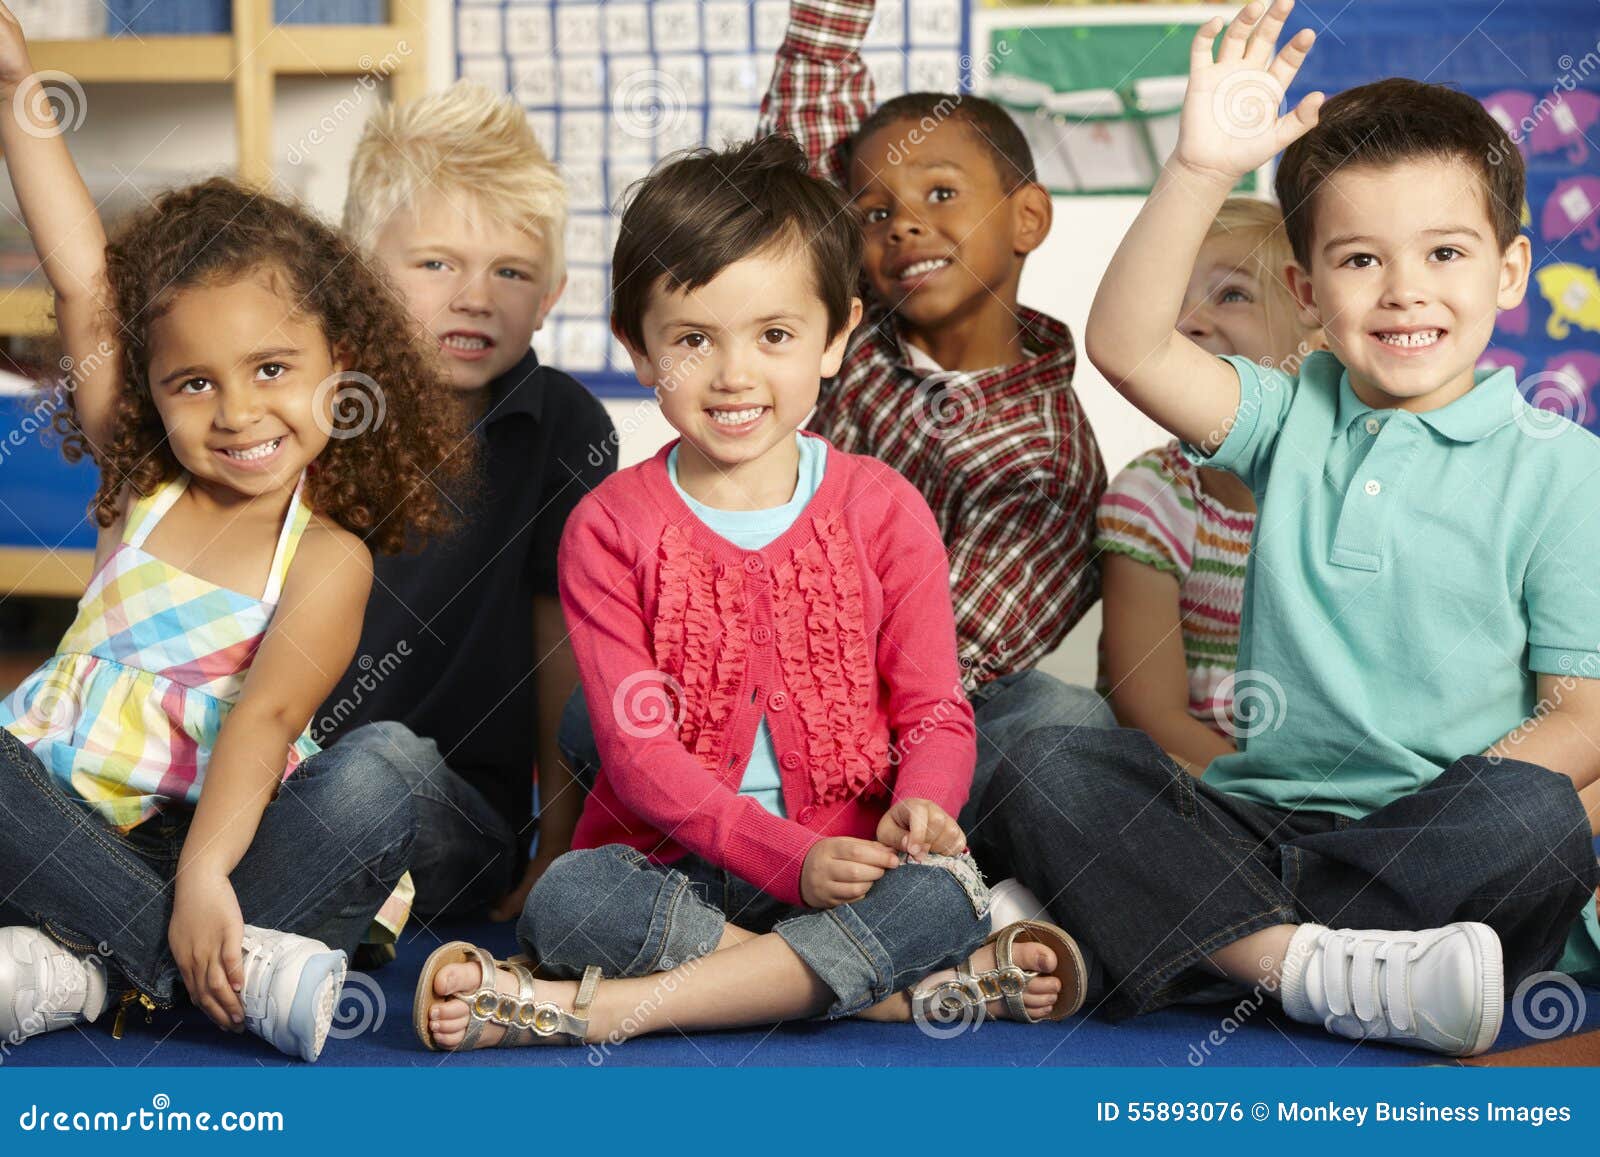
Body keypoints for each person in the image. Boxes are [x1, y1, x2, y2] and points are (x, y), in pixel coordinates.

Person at [985, 0, 1600, 1057]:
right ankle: (1300, 964)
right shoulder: (1286, 411)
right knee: (1050, 764)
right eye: (1361, 261)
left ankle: (1202, 942)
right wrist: (1196, 168)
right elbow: (1128, 347)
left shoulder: (1561, 467)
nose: (1406, 288)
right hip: (1261, 823)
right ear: (1307, 293)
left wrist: (1433, 816)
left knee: (1536, 818)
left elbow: (1579, 714)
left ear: (1505, 270)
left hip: (1437, 833)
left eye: (1445, 252)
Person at [414, 137, 1085, 1052]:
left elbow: (934, 711)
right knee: (573, 900)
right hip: (678, 868)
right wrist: (787, 860)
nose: (735, 375)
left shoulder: (885, 509)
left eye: (775, 335)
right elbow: (640, 756)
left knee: (943, 888)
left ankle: (601, 1010)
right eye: (693, 339)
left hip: (857, 860)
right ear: (638, 349)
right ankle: (882, 992)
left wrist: (925, 803)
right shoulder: (611, 525)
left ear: (838, 336)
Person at [0, 6, 466, 1061]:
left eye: (271, 370)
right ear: (152, 391)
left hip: (233, 846)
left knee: (386, 766)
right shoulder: (142, 486)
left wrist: (207, 876)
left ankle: (85, 965)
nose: (238, 412)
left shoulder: (328, 552)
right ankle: (180, 971)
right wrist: (12, 89)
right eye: (194, 382)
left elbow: (262, 721)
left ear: (338, 363)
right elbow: (84, 282)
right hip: (73, 830)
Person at [316, 82, 616, 931]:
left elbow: (562, 645)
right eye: (436, 262)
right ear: (361, 271)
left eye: (511, 272)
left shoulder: (562, 424)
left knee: (374, 769)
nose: (476, 296)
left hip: (454, 817)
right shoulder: (311, 401)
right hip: (276, 779)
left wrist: (555, 847)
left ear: (551, 293)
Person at [1097, 197, 1320, 773]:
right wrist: (1273, 806)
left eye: (1233, 294)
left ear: (1313, 320)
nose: (1188, 320)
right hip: (1206, 782)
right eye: (1175, 302)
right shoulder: (1151, 498)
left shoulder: (1356, 488)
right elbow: (1151, 714)